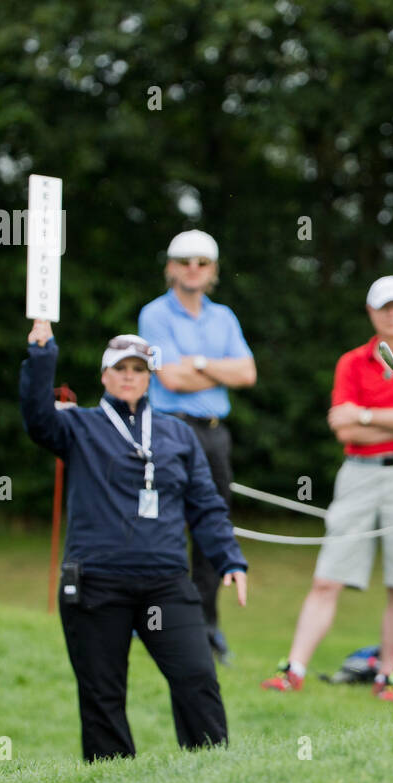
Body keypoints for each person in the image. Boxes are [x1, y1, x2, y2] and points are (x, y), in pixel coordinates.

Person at [20, 320, 249, 761]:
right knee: (102, 695)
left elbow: (206, 505)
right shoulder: (79, 427)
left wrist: (229, 560)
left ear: (149, 378)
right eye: (120, 368)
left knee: (197, 677)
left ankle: (214, 770)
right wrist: (42, 355)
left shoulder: (177, 434)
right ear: (104, 376)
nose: (129, 376)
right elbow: (36, 418)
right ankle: (113, 781)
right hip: (96, 583)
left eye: (138, 369)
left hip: (164, 583)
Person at [261, 276, 393, 702]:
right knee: (328, 577)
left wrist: (363, 417)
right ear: (371, 313)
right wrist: (384, 419)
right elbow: (339, 426)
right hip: (358, 474)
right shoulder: (351, 362)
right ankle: (293, 670)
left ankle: (386, 678)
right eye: (384, 307)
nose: (392, 313)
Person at [138, 230, 256, 665]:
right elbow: (169, 378)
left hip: (212, 432)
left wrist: (200, 364)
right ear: (170, 267)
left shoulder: (223, 317)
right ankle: (155, 621)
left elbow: (247, 373)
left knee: (211, 527)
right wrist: (215, 371)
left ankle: (207, 627)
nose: (193, 268)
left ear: (213, 272)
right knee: (162, 525)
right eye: (184, 261)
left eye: (202, 262)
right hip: (168, 429)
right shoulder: (153, 315)